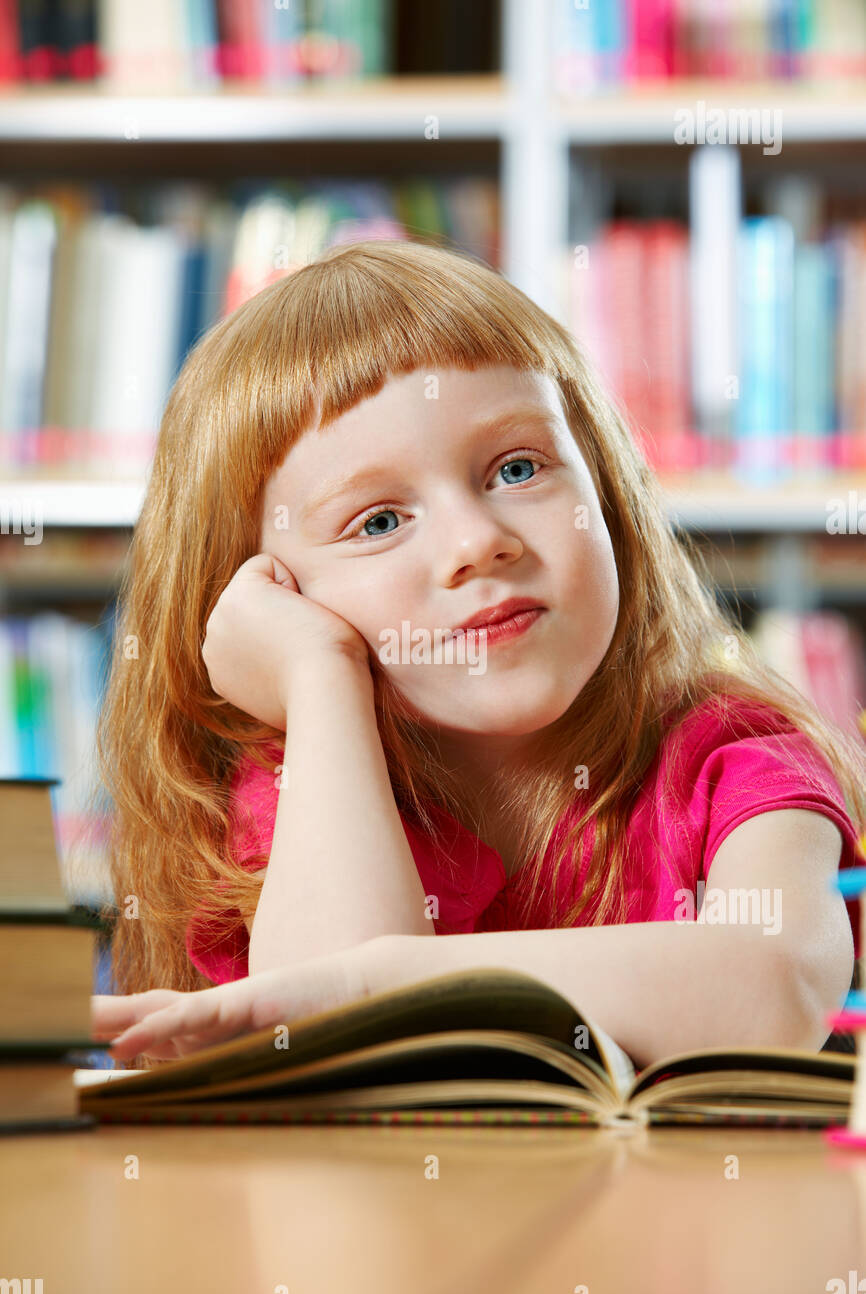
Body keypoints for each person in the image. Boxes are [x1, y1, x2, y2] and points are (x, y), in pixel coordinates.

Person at [90, 238, 866, 1070]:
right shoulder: (309, 778)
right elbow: (332, 1054)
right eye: (379, 521)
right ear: (271, 597)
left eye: (518, 468)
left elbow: (775, 981)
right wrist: (321, 678)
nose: (478, 542)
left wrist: (382, 981)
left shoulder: (734, 752)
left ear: (605, 490)